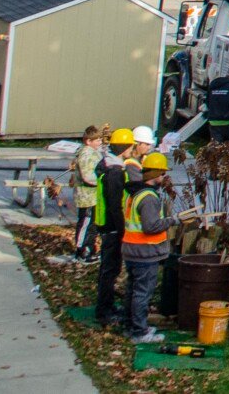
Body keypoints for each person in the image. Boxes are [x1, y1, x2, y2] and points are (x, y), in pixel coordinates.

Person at [121, 152, 173, 343]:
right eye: (162, 174)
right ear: (156, 174)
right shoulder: (149, 198)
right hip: (145, 252)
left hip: (132, 250)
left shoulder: (135, 193)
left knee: (133, 290)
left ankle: (130, 326)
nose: (163, 178)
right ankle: (139, 331)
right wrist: (171, 221)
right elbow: (151, 227)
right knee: (142, 293)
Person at [93, 129, 134, 328]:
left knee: (107, 269)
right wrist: (122, 230)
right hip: (112, 227)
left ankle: (106, 306)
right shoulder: (116, 172)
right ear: (125, 148)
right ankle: (104, 310)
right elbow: (115, 204)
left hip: (105, 224)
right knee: (110, 270)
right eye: (131, 146)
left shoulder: (106, 165)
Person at [67, 127, 104, 262]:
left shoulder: (93, 152)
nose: (100, 142)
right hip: (86, 196)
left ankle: (90, 248)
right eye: (97, 139)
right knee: (86, 223)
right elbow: (87, 176)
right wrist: (102, 181)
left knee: (93, 225)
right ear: (88, 141)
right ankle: (82, 251)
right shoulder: (86, 155)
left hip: (93, 196)